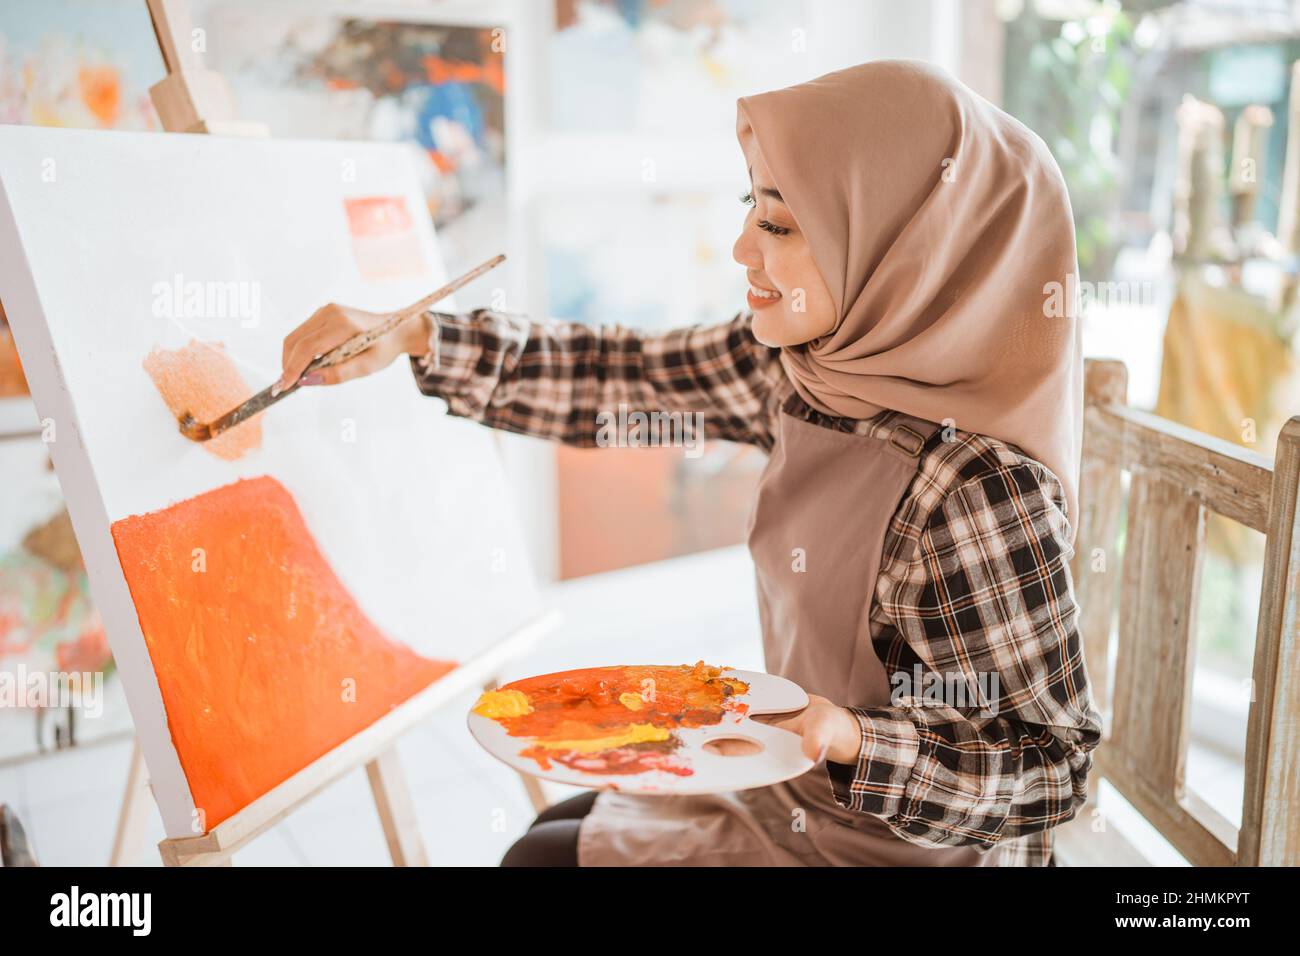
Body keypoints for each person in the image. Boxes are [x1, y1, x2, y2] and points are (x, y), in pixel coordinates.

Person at [277, 59, 1102, 867]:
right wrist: (419, 335)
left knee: (537, 860)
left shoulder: (980, 489)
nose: (742, 246)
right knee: (552, 830)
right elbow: (624, 380)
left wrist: (853, 736)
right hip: (799, 792)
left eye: (779, 224)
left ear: (901, 250)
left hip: (906, 847)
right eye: (754, 206)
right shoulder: (808, 372)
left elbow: (1050, 768)